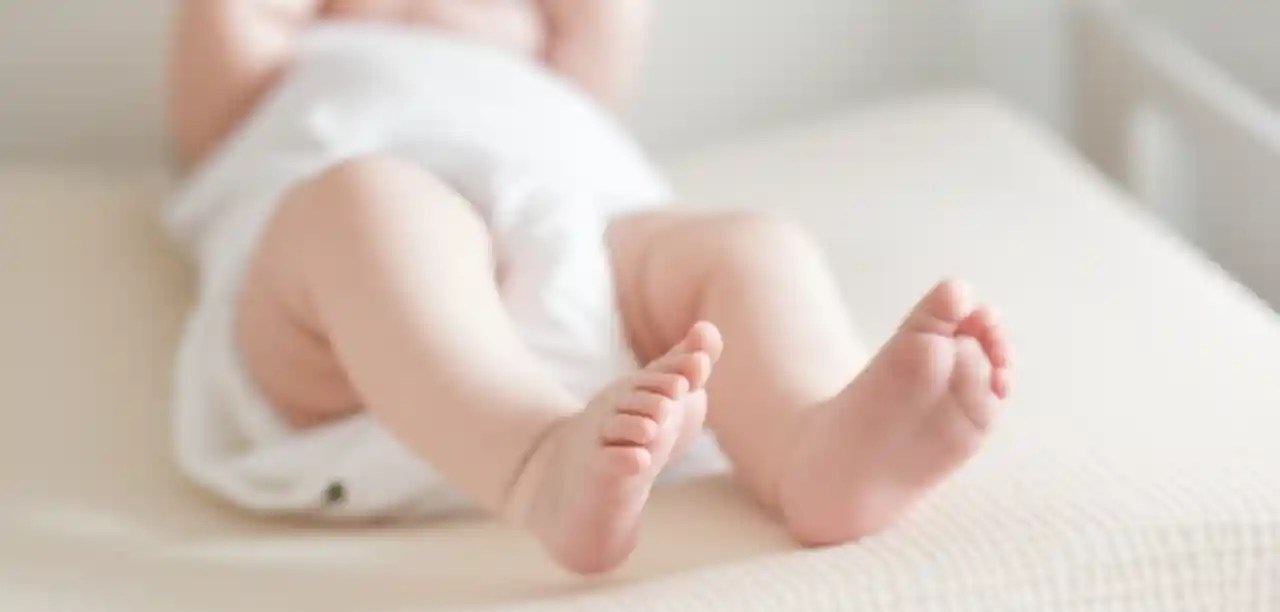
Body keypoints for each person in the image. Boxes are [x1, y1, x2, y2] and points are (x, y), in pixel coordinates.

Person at [166, 0, 1013, 574]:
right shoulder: (307, 41)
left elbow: (604, 61)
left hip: (590, 254)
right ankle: (534, 464)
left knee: (749, 246)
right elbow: (208, 95)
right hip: (361, 350)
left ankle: (809, 445)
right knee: (370, 210)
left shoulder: (530, 44)